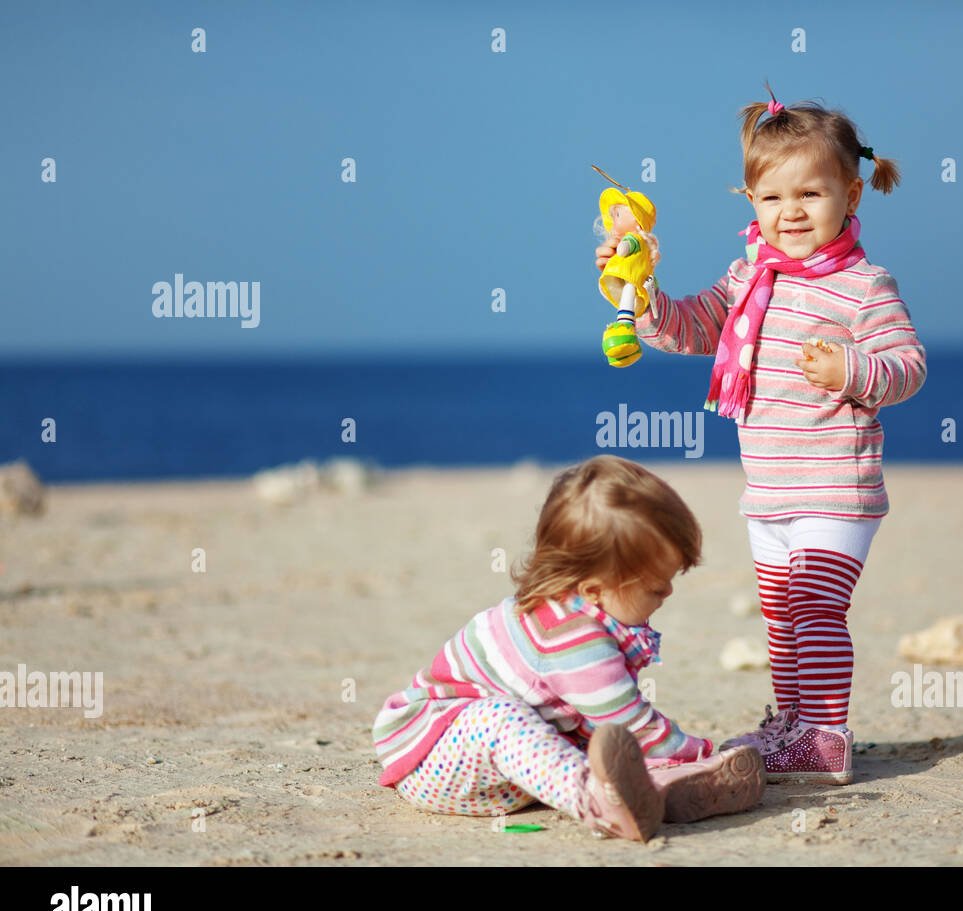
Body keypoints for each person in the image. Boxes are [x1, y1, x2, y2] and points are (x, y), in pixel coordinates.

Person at [594, 83, 926, 784]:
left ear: (852, 197)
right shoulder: (749, 276)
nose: (792, 212)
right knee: (780, 619)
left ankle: (827, 735)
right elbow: (690, 328)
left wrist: (851, 368)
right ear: (751, 203)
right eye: (773, 198)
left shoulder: (865, 286)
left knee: (814, 607)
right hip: (770, 489)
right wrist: (641, 295)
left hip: (837, 487)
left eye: (811, 194)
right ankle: (795, 723)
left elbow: (908, 367)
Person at [372, 455, 764, 842]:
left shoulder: (584, 609)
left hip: (511, 770)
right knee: (499, 718)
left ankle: (659, 789)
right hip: (434, 762)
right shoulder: (570, 636)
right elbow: (627, 721)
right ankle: (599, 802)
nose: (669, 591)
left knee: (600, 745)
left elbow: (609, 728)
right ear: (594, 589)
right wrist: (697, 750)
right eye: (655, 586)